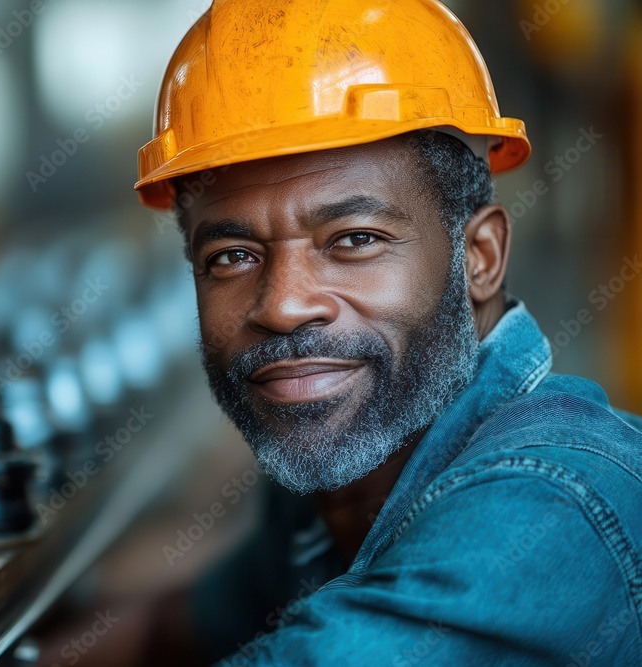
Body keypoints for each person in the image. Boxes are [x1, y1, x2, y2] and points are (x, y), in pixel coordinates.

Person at [133, 0, 642, 664]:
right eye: (231, 255)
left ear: (478, 258)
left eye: (354, 239)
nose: (283, 306)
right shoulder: (339, 469)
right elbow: (169, 628)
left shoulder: (549, 507)